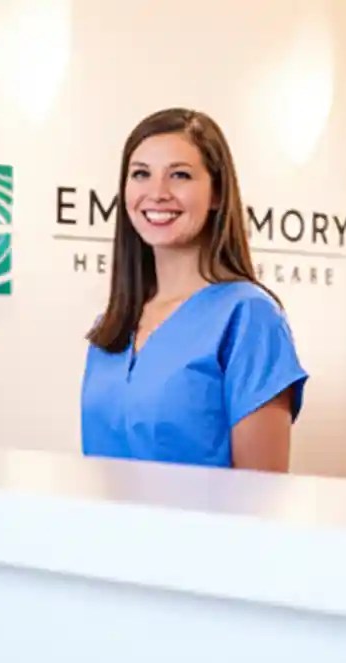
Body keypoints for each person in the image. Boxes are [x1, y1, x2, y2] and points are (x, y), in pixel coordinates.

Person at [79, 108, 308, 472]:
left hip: (202, 531)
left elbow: (262, 493)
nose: (157, 193)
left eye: (180, 175)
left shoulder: (248, 317)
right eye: (141, 174)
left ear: (217, 193)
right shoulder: (113, 323)